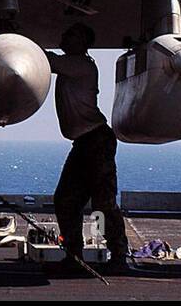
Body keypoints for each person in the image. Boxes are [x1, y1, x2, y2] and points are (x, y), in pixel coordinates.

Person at [47, 22, 130, 274]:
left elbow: (46, 61)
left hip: (95, 141)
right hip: (85, 143)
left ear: (82, 41)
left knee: (103, 203)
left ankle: (118, 255)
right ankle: (75, 256)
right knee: (65, 200)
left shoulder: (79, 64)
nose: (63, 36)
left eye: (69, 34)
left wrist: (15, 40)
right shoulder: (74, 65)